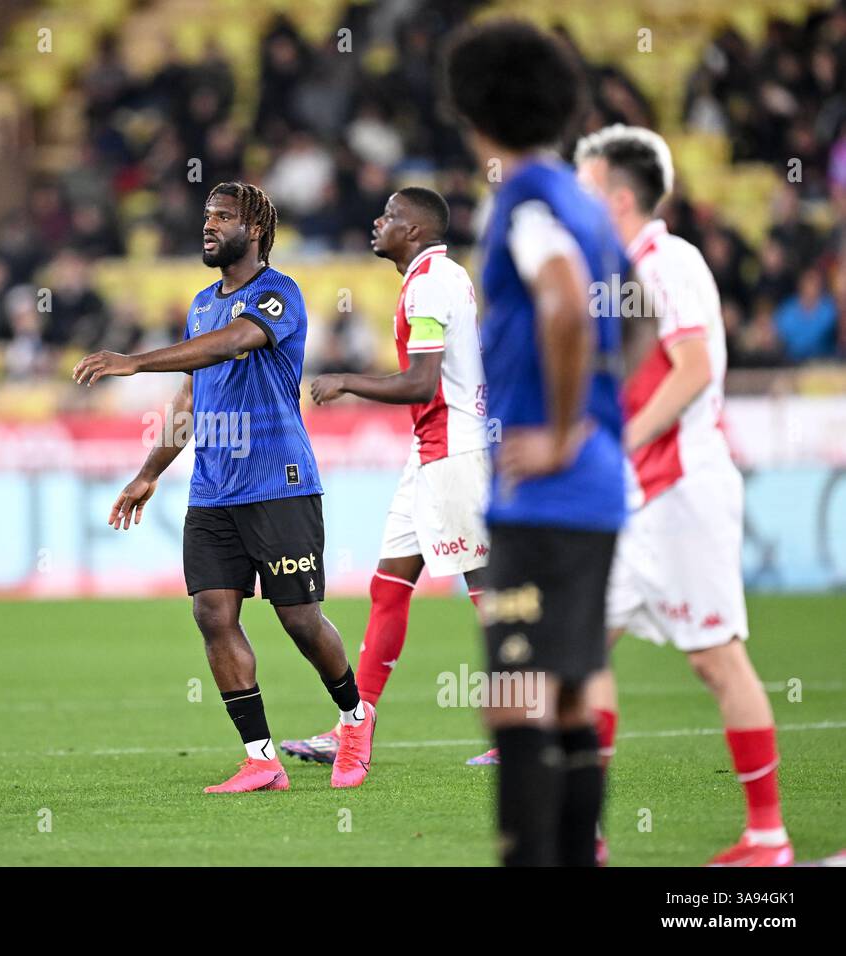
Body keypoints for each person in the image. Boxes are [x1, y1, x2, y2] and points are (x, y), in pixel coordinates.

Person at [72, 182, 375, 792]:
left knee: (299, 618)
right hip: (213, 486)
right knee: (213, 612)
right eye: (206, 216)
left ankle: (354, 717)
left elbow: (236, 341)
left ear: (255, 230)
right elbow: (191, 395)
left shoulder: (278, 293)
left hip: (279, 480)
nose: (208, 226)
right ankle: (261, 758)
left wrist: (134, 361)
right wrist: (148, 473)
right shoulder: (201, 303)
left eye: (223, 217)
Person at [576, 124, 793, 866]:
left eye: (588, 186)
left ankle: (768, 836)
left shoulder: (665, 263)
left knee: (716, 659)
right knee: (579, 653)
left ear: (621, 195)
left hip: (682, 490)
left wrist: (621, 441)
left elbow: (693, 366)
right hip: (631, 498)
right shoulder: (615, 270)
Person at [442, 20, 627, 866]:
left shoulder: (522, 198)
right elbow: (632, 315)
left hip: (543, 484)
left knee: (514, 698)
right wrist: (591, 426)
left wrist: (554, 435)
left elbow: (560, 297)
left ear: (475, 115)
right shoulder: (589, 202)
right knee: (573, 692)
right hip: (596, 485)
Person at [280, 187, 491, 765]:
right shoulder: (440, 277)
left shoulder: (428, 284)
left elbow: (421, 382)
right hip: (429, 453)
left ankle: (527, 730)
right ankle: (355, 728)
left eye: (392, 215)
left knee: (490, 595)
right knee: (389, 588)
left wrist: (348, 380)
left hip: (453, 455)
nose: (379, 221)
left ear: (416, 231)